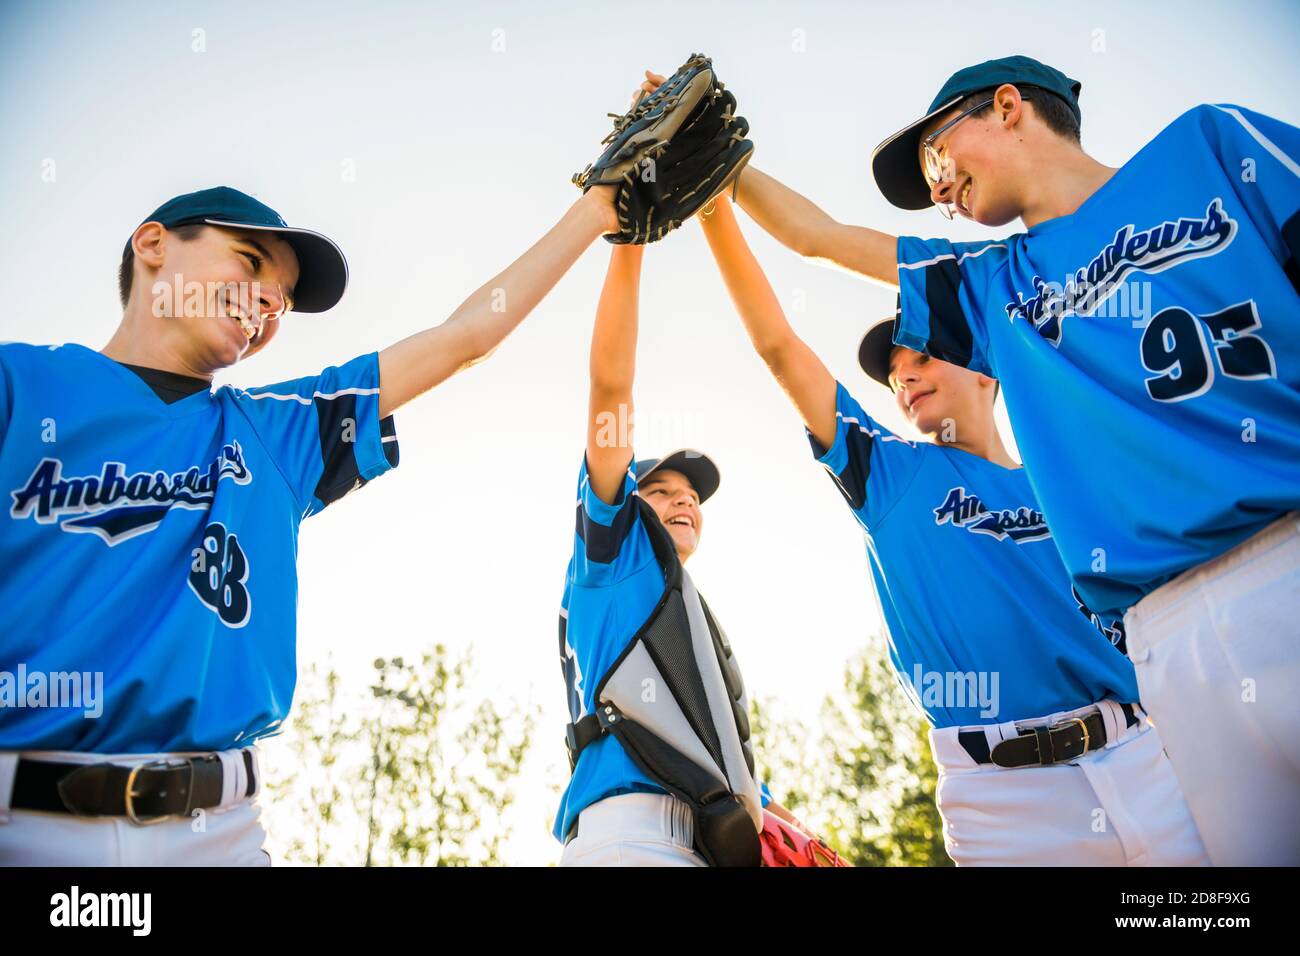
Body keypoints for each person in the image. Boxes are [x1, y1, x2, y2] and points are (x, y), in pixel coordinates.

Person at [644, 53, 1300, 865]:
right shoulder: (996, 291)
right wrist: (719, 170)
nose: (938, 189)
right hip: (1158, 653)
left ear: (1007, 105)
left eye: (936, 158)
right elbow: (814, 244)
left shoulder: (1208, 144)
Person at [0, 182, 620, 865]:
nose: (269, 300)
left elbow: (466, 338)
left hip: (219, 833)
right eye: (249, 260)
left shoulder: (273, 431)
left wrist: (597, 210)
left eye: (284, 298)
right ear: (152, 244)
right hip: (29, 829)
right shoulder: (21, 387)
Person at [695, 195, 1207, 865]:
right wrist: (712, 207)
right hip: (1005, 795)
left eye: (923, 356)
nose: (903, 376)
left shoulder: (1066, 475)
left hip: (1148, 756)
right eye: (894, 373)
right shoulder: (889, 474)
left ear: (985, 365)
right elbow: (779, 347)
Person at [555, 242, 802, 867]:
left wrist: (783, 819)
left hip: (691, 839)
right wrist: (629, 246)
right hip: (632, 835)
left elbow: (706, 748)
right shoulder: (612, 561)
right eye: (659, 490)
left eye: (691, 495)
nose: (681, 501)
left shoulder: (682, 610)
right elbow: (610, 389)